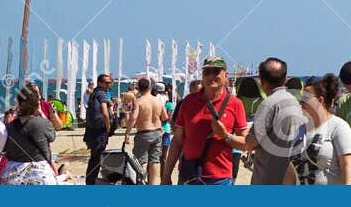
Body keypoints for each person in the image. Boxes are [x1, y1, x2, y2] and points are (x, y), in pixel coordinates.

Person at [163, 56, 249, 186]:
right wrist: (166, 174)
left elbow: (246, 144)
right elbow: (177, 140)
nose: (210, 76)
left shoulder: (235, 104)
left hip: (220, 177)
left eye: (215, 72)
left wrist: (225, 135)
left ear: (225, 75)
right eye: (206, 72)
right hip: (189, 174)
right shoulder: (188, 101)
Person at [245, 57, 303, 185]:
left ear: (261, 80)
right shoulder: (295, 103)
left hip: (268, 178)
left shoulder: (268, 104)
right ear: (285, 78)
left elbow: (250, 143)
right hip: (291, 177)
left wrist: (227, 136)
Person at [295, 74, 351, 185]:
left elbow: (347, 166)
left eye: (305, 99)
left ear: (320, 101)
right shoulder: (299, 129)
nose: (300, 102)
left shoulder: (338, 126)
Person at [2, 84, 59, 186]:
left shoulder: (9, 127)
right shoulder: (43, 123)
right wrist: (41, 113)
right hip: (39, 172)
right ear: (36, 104)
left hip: (14, 173)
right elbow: (52, 136)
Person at [127, 76, 167, 185]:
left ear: (139, 89)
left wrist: (127, 133)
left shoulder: (139, 101)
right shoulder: (158, 101)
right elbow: (165, 117)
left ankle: (141, 182)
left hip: (144, 132)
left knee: (140, 160)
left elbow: (133, 117)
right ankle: (153, 184)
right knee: (155, 160)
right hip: (157, 132)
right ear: (150, 87)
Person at [83, 73, 114, 185]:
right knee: (97, 158)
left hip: (91, 131)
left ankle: (90, 180)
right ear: (100, 83)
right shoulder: (101, 93)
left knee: (94, 157)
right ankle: (91, 182)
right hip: (99, 131)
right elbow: (105, 113)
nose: (109, 85)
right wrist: (108, 128)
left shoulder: (95, 92)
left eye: (109, 83)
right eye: (106, 83)